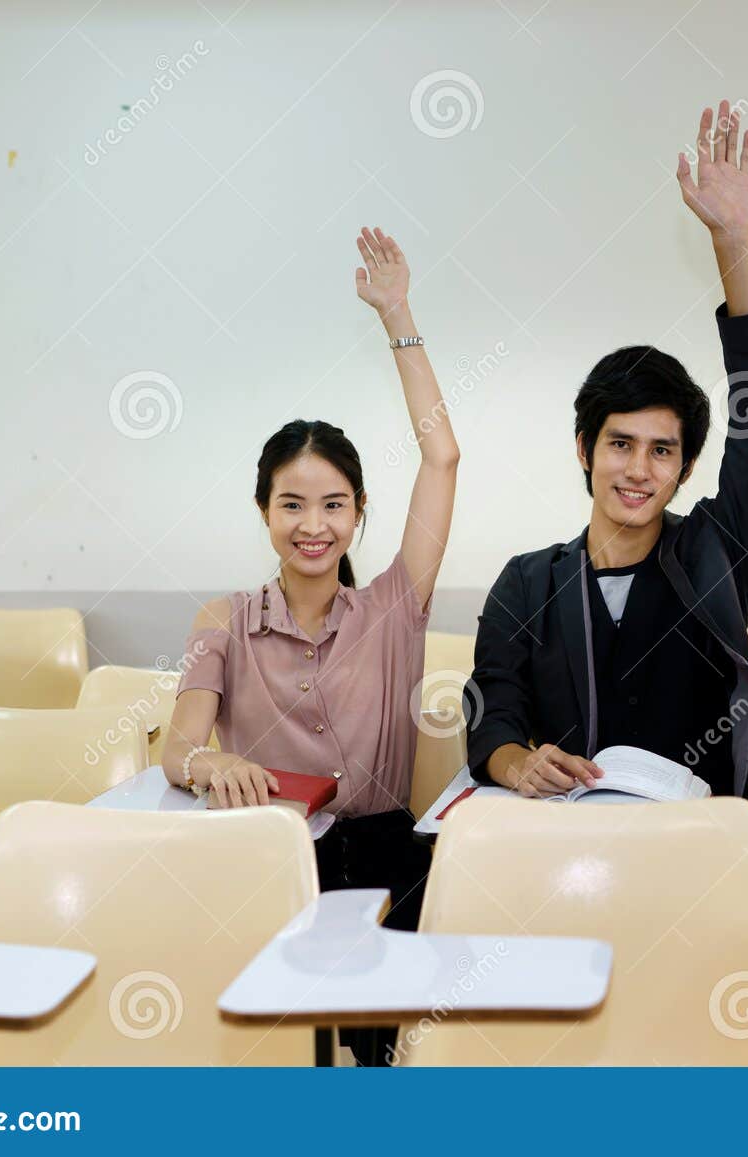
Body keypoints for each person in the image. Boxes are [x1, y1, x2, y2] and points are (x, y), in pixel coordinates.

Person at [467, 101, 748, 851]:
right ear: (583, 448)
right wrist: (518, 763)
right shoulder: (526, 583)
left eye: (662, 450)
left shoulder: (715, 554)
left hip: (706, 847)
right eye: (621, 443)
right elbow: (493, 705)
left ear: (684, 469)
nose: (638, 469)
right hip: (566, 851)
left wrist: (735, 243)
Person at [163, 228, 458, 1060]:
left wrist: (398, 316)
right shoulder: (222, 620)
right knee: (264, 1050)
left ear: (358, 513)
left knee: (375, 1058)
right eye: (292, 504)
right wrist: (207, 764)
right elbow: (178, 747)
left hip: (381, 863)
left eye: (333, 505)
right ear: (265, 512)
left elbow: (443, 455)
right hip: (264, 858)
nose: (313, 525)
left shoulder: (397, 607)